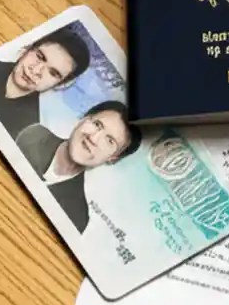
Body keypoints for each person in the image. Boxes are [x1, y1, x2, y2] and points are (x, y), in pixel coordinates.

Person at [15, 100, 141, 234]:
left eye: (110, 141)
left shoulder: (76, 217)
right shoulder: (31, 134)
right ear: (83, 119)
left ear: (113, 158)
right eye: (97, 125)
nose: (93, 138)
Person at [0, 27, 92, 137]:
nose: (36, 70)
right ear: (28, 48)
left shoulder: (24, 130)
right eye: (40, 56)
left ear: (61, 84)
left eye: (53, 73)